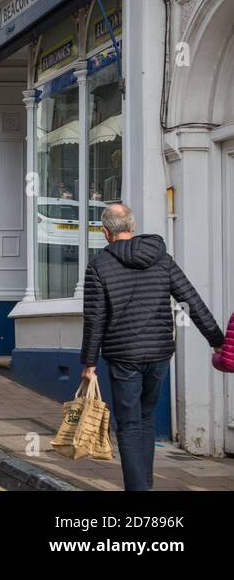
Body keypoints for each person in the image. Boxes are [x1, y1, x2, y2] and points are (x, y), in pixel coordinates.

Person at [80, 202, 225, 491]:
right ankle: (144, 485)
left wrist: (89, 362)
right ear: (132, 228)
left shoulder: (99, 265)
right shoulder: (162, 258)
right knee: (146, 419)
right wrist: (217, 342)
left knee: (129, 426)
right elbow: (190, 300)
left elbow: (94, 318)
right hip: (159, 355)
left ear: (105, 232)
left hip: (123, 357)